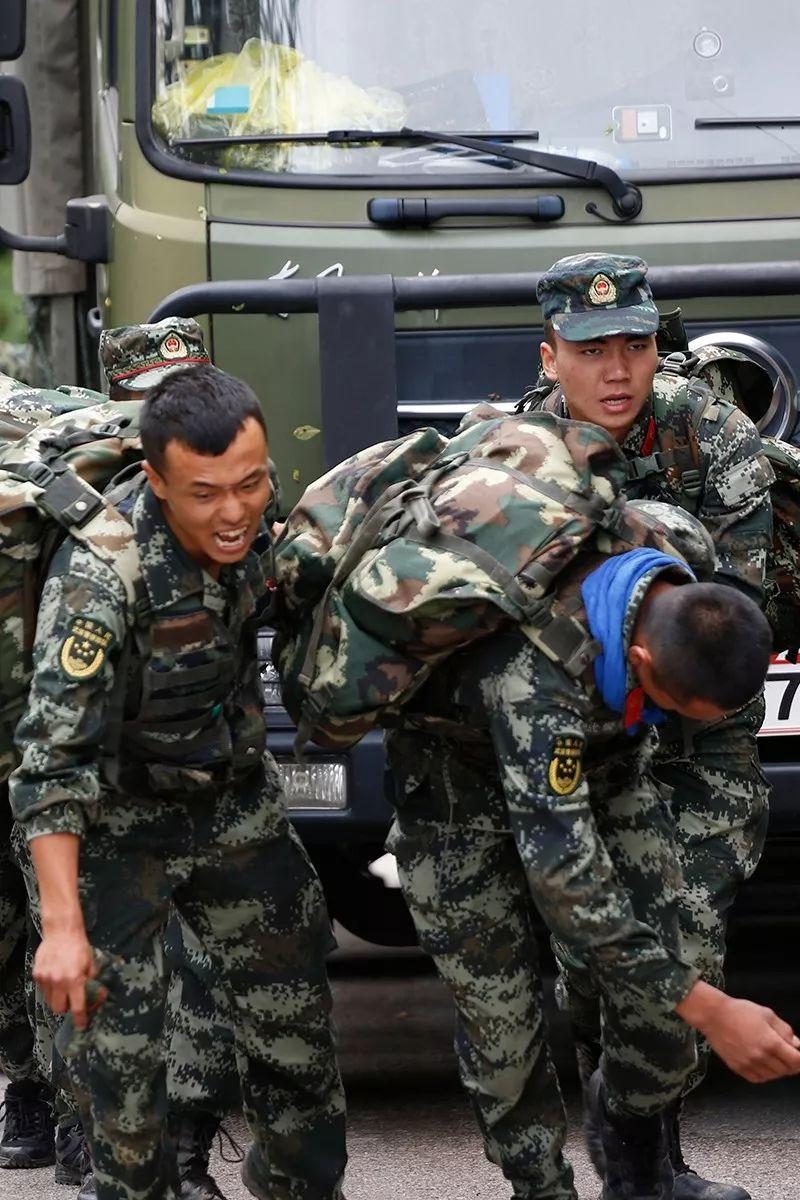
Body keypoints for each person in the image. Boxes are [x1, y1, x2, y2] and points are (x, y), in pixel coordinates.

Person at [386, 518, 800, 1200]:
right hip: (459, 790)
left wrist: (689, 996)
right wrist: (716, 1012)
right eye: (680, 710)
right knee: (504, 1032)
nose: (685, 727)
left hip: (606, 756)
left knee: (678, 961)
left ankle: (639, 1175)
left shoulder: (673, 547)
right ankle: (541, 1187)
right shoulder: (539, 683)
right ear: (641, 664)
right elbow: (570, 886)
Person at [9, 364, 347, 1200]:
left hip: (233, 806)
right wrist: (62, 927)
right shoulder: (101, 579)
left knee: (297, 1044)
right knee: (121, 1094)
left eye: (251, 483)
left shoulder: (257, 523)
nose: (234, 513)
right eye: (205, 493)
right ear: (156, 482)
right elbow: (53, 761)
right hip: (117, 825)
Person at [529, 253, 774, 1200]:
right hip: (579, 728)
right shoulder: (512, 449)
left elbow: (733, 612)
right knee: (588, 957)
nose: (619, 371)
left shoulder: (710, 429)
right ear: (552, 356)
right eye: (594, 351)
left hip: (700, 726)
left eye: (636, 344)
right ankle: (626, 1139)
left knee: (689, 936)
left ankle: (646, 1158)